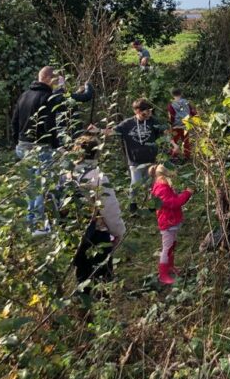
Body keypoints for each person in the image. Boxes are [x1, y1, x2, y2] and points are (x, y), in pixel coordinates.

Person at [12, 66, 93, 233]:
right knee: (42, 187)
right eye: (57, 80)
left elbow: (15, 121)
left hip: (22, 145)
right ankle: (39, 226)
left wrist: (17, 142)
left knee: (31, 186)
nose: (57, 84)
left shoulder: (24, 95)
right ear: (50, 79)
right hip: (40, 148)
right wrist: (57, 146)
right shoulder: (47, 97)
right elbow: (50, 126)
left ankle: (31, 222)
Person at [63, 136, 126, 292]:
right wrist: (118, 231)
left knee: (82, 273)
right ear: (97, 152)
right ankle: (100, 302)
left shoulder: (67, 174)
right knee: (101, 275)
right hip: (97, 233)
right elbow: (109, 208)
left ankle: (83, 301)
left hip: (74, 231)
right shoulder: (97, 177)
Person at [94, 99, 165, 212]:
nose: (148, 114)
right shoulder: (127, 124)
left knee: (151, 184)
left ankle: (151, 205)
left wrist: (172, 144)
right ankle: (133, 206)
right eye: (145, 112)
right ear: (137, 111)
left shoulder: (153, 121)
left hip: (151, 160)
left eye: (149, 111)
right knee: (135, 185)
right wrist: (98, 130)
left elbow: (164, 133)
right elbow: (112, 132)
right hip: (135, 161)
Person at [150, 164, 193, 285]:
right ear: (162, 176)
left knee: (172, 245)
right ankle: (163, 274)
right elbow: (174, 203)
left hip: (171, 220)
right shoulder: (161, 189)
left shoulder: (164, 187)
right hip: (167, 222)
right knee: (167, 247)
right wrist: (187, 193)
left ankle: (170, 266)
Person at [167, 88, 197, 162]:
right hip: (186, 125)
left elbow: (172, 116)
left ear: (172, 95)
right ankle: (187, 156)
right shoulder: (187, 102)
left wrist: (170, 124)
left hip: (176, 126)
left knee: (174, 141)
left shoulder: (171, 104)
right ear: (181, 93)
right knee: (186, 141)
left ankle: (173, 156)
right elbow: (192, 112)